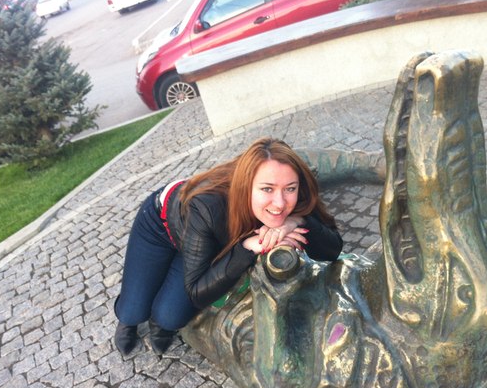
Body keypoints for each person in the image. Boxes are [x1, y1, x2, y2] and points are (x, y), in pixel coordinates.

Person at [113, 137, 343, 356]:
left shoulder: (296, 194)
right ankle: (127, 318)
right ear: (246, 186)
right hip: (160, 227)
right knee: (133, 311)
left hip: (203, 241)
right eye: (267, 189)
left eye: (290, 189)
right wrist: (247, 248)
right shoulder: (207, 207)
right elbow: (196, 291)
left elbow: (332, 249)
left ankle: (158, 320)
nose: (280, 203)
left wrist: (299, 220)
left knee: (169, 317)